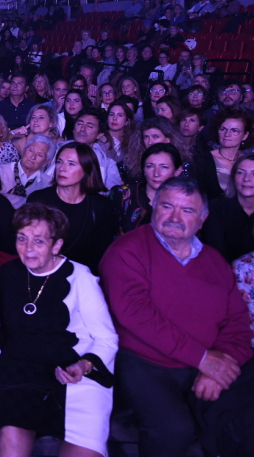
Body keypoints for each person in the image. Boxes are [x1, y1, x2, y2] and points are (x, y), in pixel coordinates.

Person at [100, 177, 254, 457]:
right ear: (154, 207)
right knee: (173, 430)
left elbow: (238, 323)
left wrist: (220, 368)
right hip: (145, 364)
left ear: (202, 218)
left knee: (245, 422)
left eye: (187, 210)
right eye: (167, 206)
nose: (174, 217)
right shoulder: (126, 251)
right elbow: (136, 316)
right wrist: (204, 359)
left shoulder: (214, 261)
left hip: (207, 362)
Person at [0, 203, 118, 457]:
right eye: (22, 239)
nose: (28, 248)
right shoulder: (9, 273)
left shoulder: (80, 277)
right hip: (20, 373)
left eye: (39, 241)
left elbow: (107, 337)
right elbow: (5, 331)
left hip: (73, 372)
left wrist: (84, 366)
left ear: (56, 245)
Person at [28, 142, 117, 274]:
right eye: (59, 162)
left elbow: (103, 256)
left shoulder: (101, 206)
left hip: (83, 279)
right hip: (42, 274)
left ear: (87, 169)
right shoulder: (38, 200)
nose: (62, 168)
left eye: (71, 164)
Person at [110, 143, 182, 236]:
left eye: (164, 167)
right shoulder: (122, 195)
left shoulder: (184, 202)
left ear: (178, 171)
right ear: (143, 169)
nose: (156, 173)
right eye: (150, 166)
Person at [203, 153, 254, 262]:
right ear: (234, 177)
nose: (246, 179)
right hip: (224, 274)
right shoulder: (215, 209)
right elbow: (216, 256)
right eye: (241, 173)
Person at [0, 134, 56, 207]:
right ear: (24, 150)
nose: (33, 157)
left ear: (46, 162)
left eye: (40, 155)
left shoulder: (48, 184)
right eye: (30, 151)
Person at [210, 109, 253, 195]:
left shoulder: (248, 162)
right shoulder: (201, 160)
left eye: (234, 130)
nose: (227, 134)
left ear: (245, 135)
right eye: (223, 129)